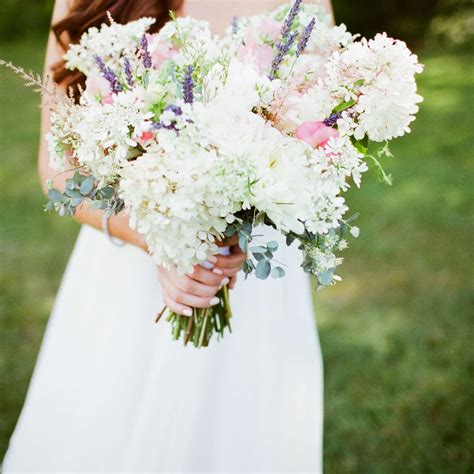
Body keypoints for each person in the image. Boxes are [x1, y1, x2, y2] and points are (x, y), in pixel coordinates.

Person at [2, 0, 332, 471]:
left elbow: (323, 135)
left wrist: (249, 217)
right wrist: (157, 239)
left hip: (254, 277)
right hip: (130, 276)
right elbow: (57, 168)